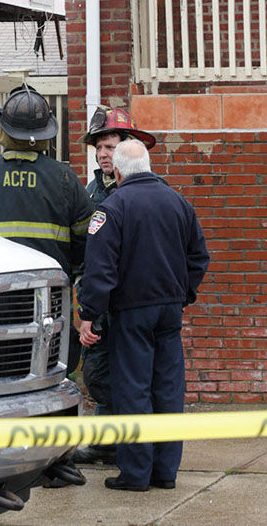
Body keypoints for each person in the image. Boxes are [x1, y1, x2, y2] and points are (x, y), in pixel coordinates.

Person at [0, 84, 93, 487]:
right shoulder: (65, 178)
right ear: (46, 135)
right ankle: (58, 462)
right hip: (51, 303)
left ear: (4, 131)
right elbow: (87, 239)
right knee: (58, 379)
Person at [77, 138, 209, 493]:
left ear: (117, 171)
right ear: (148, 166)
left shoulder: (112, 207)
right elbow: (199, 256)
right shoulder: (178, 202)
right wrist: (184, 294)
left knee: (133, 389)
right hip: (169, 312)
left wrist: (89, 314)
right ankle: (165, 472)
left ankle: (135, 475)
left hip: (131, 313)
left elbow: (99, 269)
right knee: (168, 390)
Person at [74, 106, 157, 467]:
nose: (104, 154)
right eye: (100, 147)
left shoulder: (137, 191)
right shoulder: (91, 191)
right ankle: (112, 441)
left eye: (110, 146)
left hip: (126, 302)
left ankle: (121, 443)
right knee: (98, 373)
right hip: (98, 300)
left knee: (120, 374)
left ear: (127, 147)